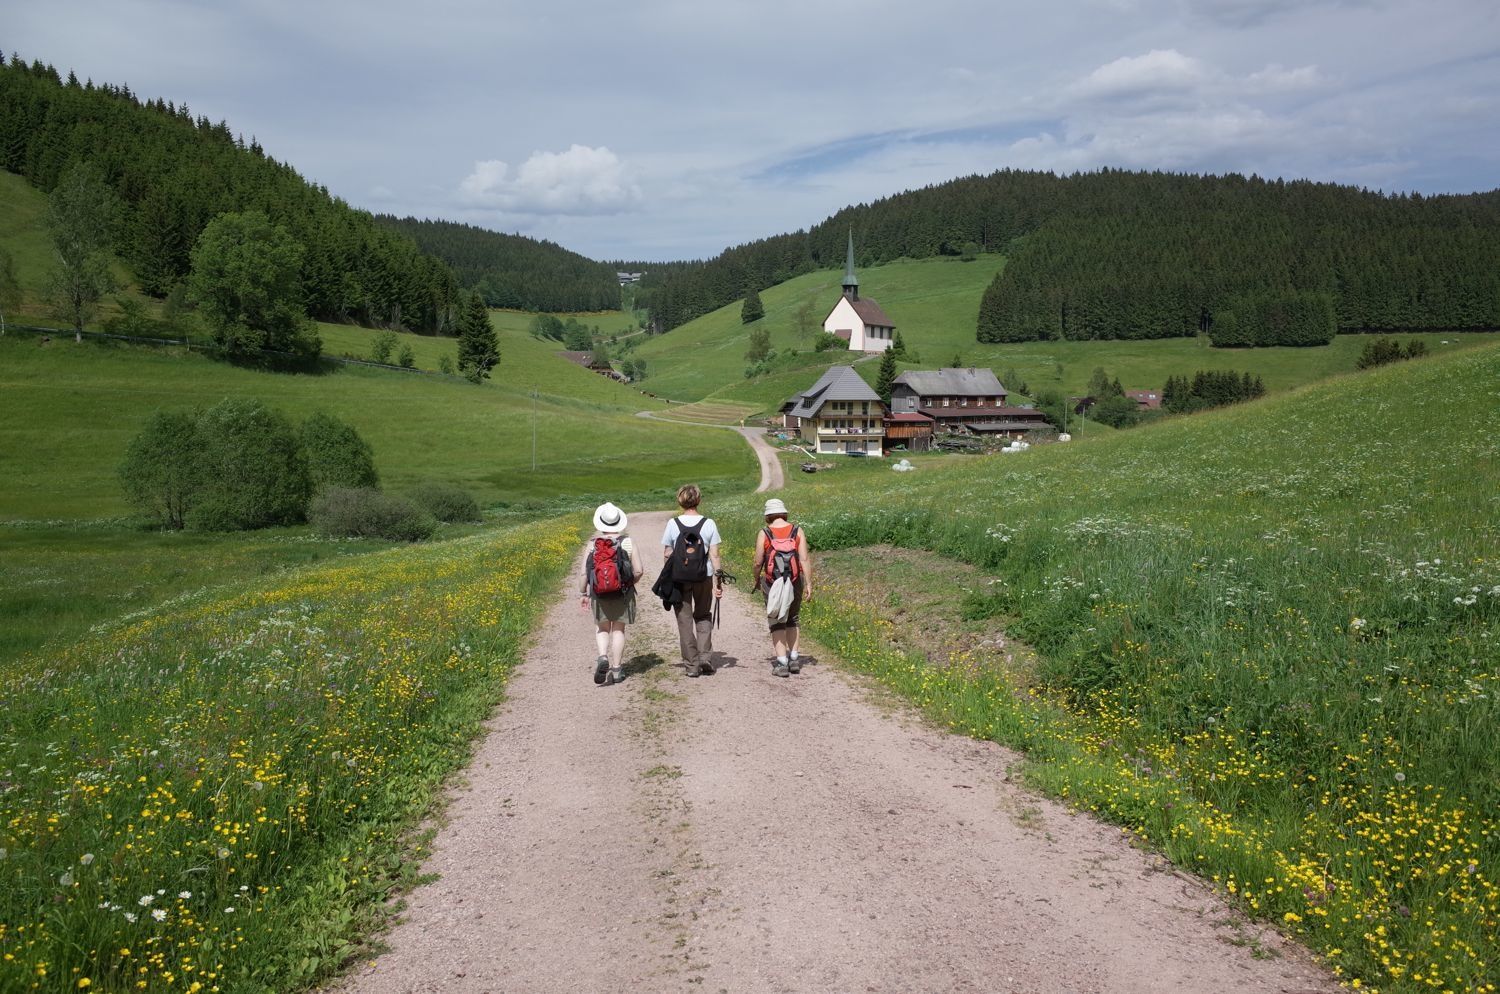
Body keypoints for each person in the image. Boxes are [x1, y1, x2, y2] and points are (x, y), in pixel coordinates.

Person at [661, 483, 723, 677]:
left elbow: (667, 553)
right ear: (699, 500)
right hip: (703, 576)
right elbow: (715, 555)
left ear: (680, 501)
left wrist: (667, 579)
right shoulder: (709, 523)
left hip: (680, 578)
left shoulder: (673, 524)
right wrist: (717, 583)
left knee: (684, 620)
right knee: (703, 615)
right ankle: (705, 657)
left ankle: (691, 665)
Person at [579, 501, 643, 687]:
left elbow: (584, 572)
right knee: (618, 629)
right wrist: (628, 583)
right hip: (623, 593)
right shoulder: (628, 542)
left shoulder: (593, 545)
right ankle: (616, 670)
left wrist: (583, 593)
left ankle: (602, 657)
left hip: (599, 594)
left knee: (602, 628)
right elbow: (639, 571)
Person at [752, 497, 811, 678]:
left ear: (767, 516)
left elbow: (757, 561)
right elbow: (804, 559)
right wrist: (809, 583)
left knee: (776, 619)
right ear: (784, 513)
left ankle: (782, 662)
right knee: (793, 618)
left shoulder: (765, 533)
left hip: (773, 583)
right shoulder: (797, 530)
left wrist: (756, 579)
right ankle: (794, 658)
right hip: (794, 581)